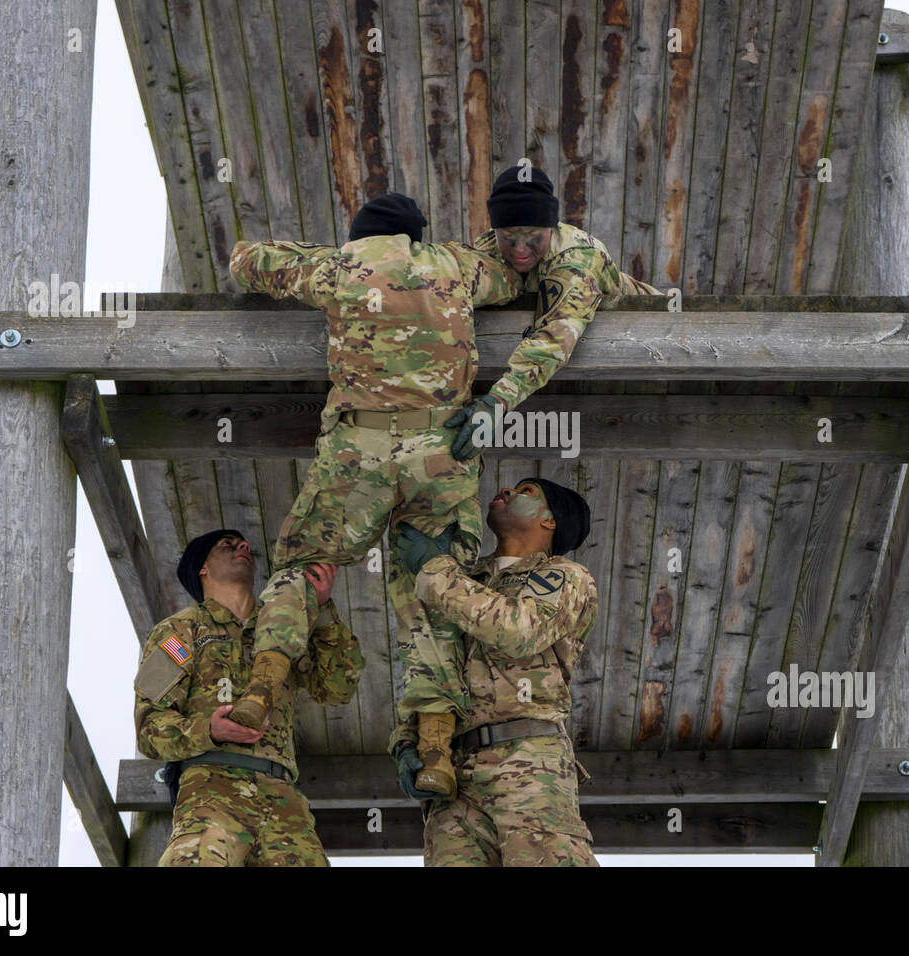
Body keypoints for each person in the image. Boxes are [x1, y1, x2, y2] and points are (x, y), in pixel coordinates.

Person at [225, 193, 523, 796]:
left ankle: (261, 686)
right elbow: (513, 279)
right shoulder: (457, 266)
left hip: (357, 454)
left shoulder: (336, 268)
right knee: (435, 584)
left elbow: (246, 261)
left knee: (304, 565)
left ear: (361, 234)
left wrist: (313, 254)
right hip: (441, 456)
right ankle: (435, 750)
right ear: (416, 235)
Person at [389, 478, 600, 866]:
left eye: (527, 491)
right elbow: (429, 659)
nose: (507, 490)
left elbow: (520, 631)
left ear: (551, 521)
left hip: (527, 760)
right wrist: (406, 741)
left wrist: (435, 570)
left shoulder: (564, 575)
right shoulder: (462, 579)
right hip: (452, 775)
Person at [134, 529, 363, 866]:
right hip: (211, 789)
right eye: (227, 545)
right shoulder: (181, 631)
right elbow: (150, 729)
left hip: (283, 799)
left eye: (244, 544)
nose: (243, 546)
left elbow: (338, 688)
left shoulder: (285, 628)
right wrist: (209, 731)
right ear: (202, 568)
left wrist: (323, 608)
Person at [445, 164, 665, 460]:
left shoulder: (576, 258)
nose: (520, 249)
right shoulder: (488, 247)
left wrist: (497, 401)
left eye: (533, 237)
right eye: (509, 237)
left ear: (551, 227)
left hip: (655, 326)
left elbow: (553, 340)